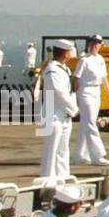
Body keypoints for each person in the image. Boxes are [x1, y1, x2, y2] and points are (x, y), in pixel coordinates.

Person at [38, 39, 78, 185]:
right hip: (53, 115)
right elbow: (58, 93)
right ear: (65, 53)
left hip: (64, 115)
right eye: (70, 51)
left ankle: (63, 180)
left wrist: (71, 110)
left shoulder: (64, 69)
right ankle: (47, 183)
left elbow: (70, 92)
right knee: (51, 151)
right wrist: (73, 109)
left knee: (63, 151)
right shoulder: (52, 70)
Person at [73, 35, 109, 166]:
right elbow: (76, 79)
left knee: (86, 123)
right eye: (93, 43)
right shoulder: (84, 60)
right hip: (85, 91)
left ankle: (79, 155)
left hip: (96, 92)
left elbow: (104, 78)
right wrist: (75, 96)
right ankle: (97, 155)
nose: (95, 46)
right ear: (89, 44)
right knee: (90, 123)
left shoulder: (100, 59)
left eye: (98, 43)